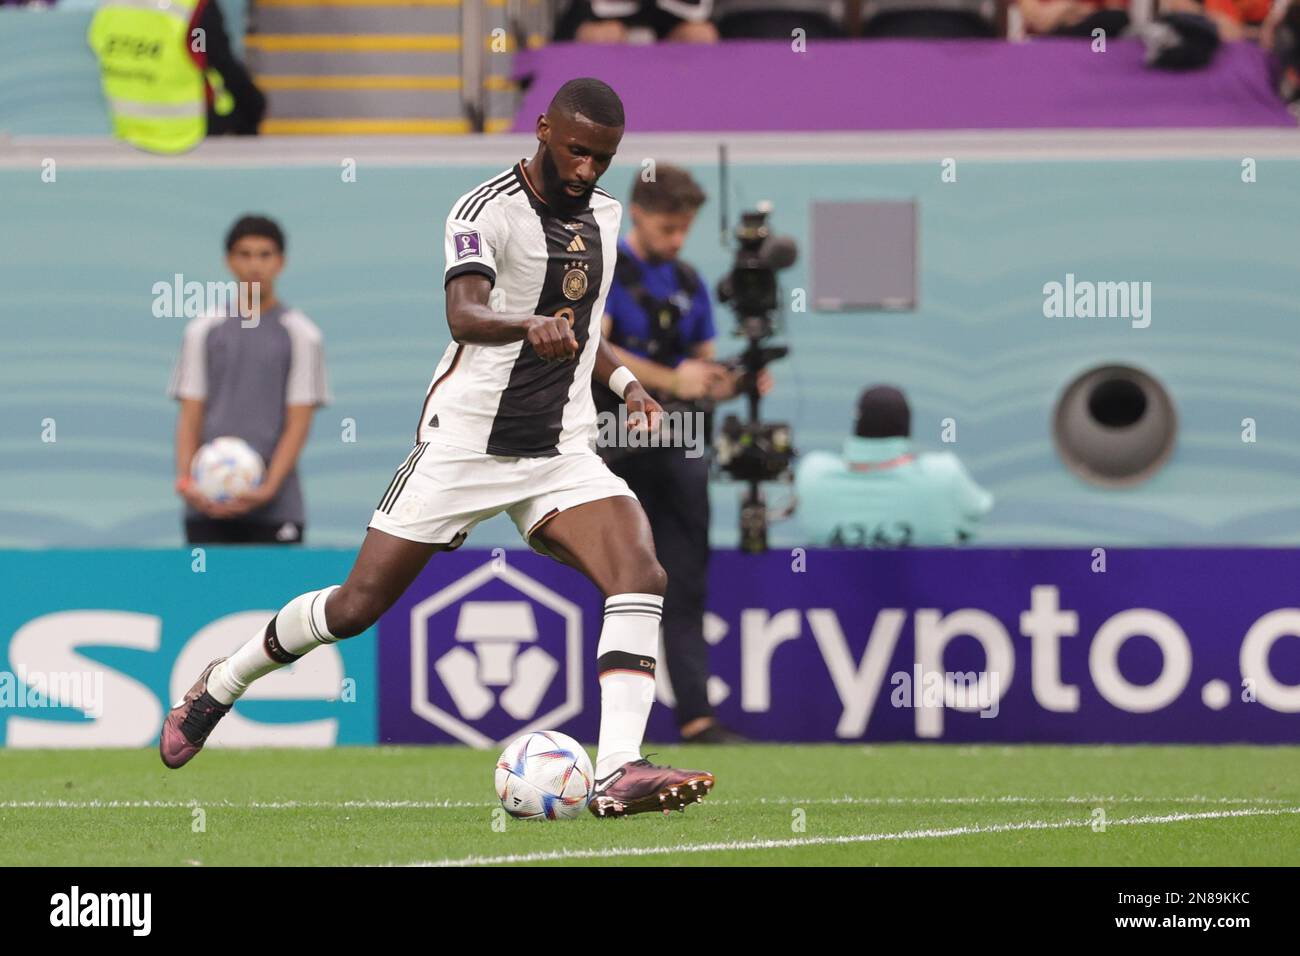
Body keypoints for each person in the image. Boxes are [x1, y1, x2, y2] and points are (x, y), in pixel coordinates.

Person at [159, 78, 716, 819]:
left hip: (561, 448)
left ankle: (617, 768)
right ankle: (220, 683)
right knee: (356, 607)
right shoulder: (484, 211)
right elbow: (463, 313)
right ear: (544, 129)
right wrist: (527, 325)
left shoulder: (606, 217)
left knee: (640, 572)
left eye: (603, 158)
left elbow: (583, 331)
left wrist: (625, 386)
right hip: (465, 444)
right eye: (578, 152)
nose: (587, 170)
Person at [599, 163, 767, 743]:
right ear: (637, 214)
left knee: (685, 585)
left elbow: (704, 368)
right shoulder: (607, 270)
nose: (677, 241)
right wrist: (673, 381)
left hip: (677, 450)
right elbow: (595, 347)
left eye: (685, 229)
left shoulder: (692, 283)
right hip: (609, 444)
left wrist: (732, 381)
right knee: (619, 588)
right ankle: (614, 733)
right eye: (669, 228)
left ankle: (696, 719)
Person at [169, 215, 330, 545]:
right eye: (244, 254)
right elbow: (190, 414)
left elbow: (298, 423)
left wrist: (268, 488)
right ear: (229, 261)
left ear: (280, 263)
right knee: (208, 596)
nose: (254, 265)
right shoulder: (202, 330)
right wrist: (188, 482)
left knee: (277, 598)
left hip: (277, 510)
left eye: (264, 255)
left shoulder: (302, 334)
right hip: (206, 507)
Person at [796, 385, 993, 547]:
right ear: (907, 427)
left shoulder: (813, 475)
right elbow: (975, 518)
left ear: (856, 421)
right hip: (929, 595)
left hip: (834, 593)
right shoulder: (943, 475)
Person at [554, 0, 720, 42]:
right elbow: (566, 31)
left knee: (699, 34)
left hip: (672, 68)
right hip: (606, 77)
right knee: (604, 34)